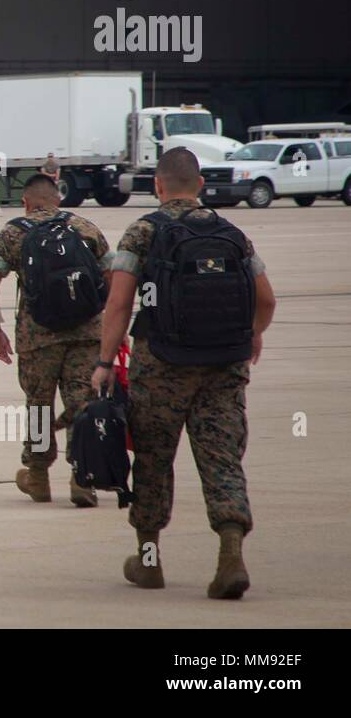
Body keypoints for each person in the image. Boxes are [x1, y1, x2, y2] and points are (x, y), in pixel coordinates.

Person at [93, 147, 276, 599]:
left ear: (158, 186)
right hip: (224, 364)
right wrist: (252, 335)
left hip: (162, 364)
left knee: (154, 460)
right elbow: (267, 299)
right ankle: (230, 552)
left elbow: (118, 303)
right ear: (200, 186)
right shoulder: (230, 232)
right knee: (222, 459)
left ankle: (149, 561)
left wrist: (103, 363)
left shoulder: (142, 232)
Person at [0, 173, 112, 507]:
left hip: (37, 336)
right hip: (87, 334)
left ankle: (38, 476)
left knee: (39, 406)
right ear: (59, 199)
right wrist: (111, 328)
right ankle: (83, 477)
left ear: (26, 202)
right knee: (82, 404)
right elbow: (113, 276)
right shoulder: (85, 228)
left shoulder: (15, 232)